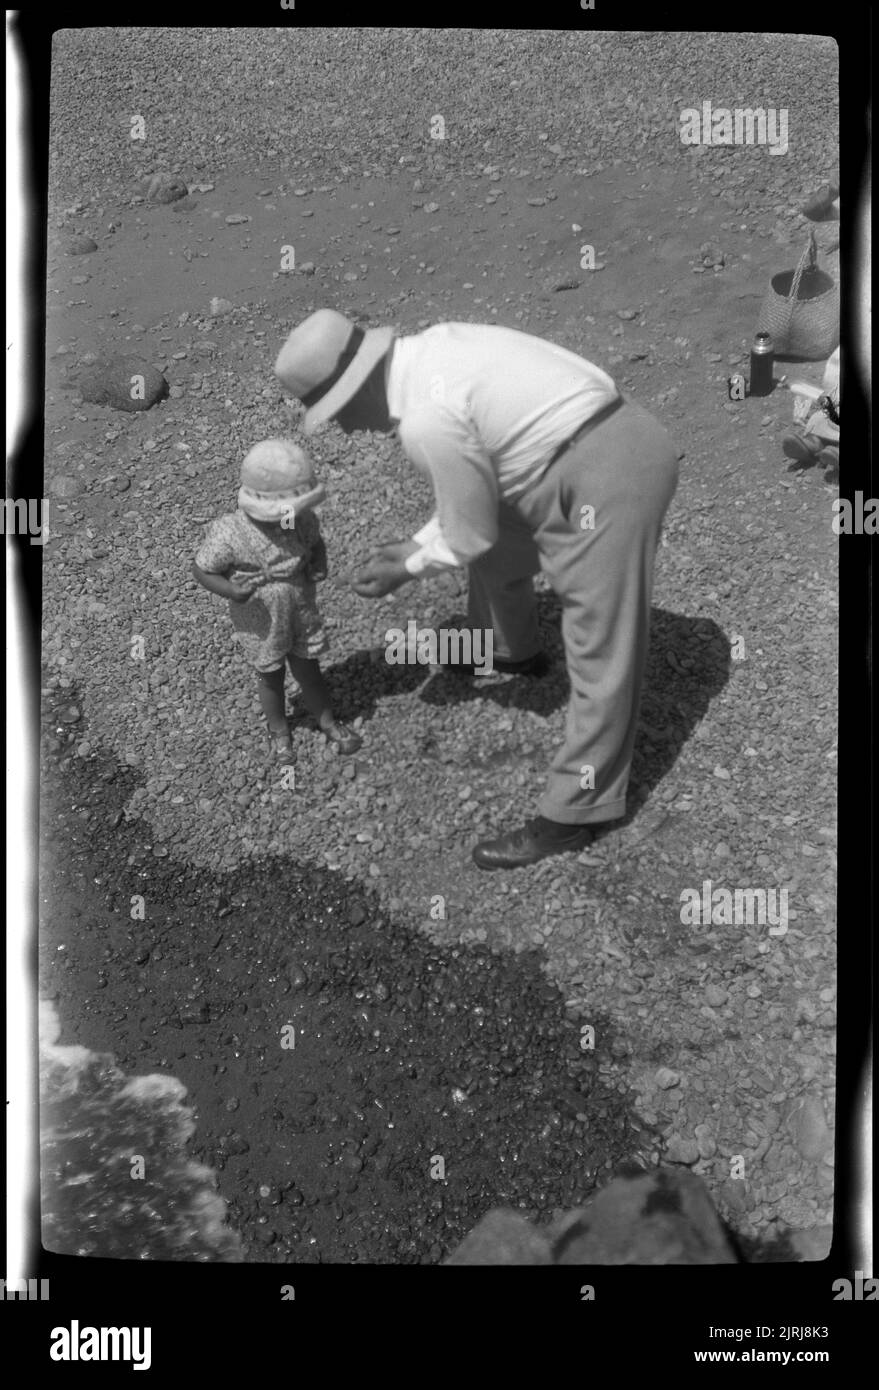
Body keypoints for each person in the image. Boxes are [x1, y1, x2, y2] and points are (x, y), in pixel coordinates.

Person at [275, 311, 679, 867]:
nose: (343, 428)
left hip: (612, 476)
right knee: (500, 554)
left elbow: (470, 531)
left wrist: (407, 569)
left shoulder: (423, 420)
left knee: (602, 644)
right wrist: (416, 544)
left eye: (337, 411)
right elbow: (479, 488)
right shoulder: (434, 347)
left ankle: (575, 813)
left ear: (359, 382)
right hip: (576, 445)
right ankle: (513, 652)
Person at [192, 438, 362, 763]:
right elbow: (202, 569)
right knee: (270, 676)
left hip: (300, 609)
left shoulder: (302, 521)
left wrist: (318, 563)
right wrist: (230, 590)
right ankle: (279, 729)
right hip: (260, 619)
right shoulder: (229, 534)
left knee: (308, 668)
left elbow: (316, 544)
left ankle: (326, 720)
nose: (291, 518)